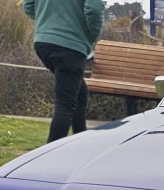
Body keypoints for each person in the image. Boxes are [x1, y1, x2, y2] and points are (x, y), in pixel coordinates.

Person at [24, 0, 104, 143]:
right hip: (71, 46)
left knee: (80, 94)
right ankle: (50, 155)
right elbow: (94, 10)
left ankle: (80, 142)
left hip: (43, 43)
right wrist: (91, 36)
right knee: (65, 105)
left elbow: (28, 5)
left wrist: (48, 23)